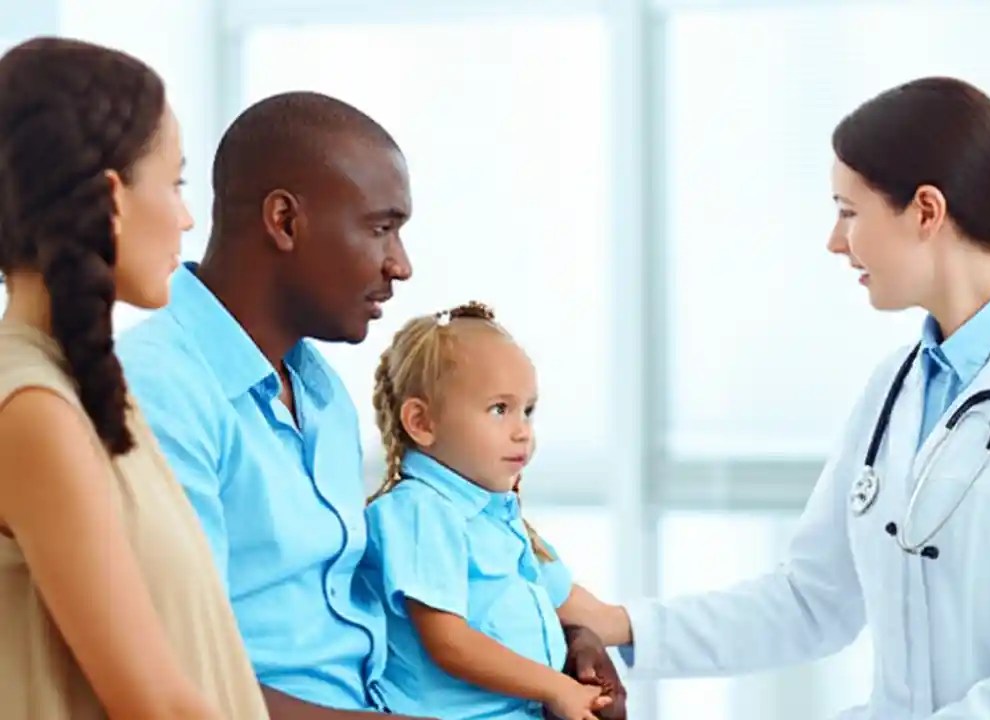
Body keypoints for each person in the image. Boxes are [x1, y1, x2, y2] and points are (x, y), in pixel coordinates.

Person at [585, 77, 990, 718]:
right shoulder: (896, 385)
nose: (836, 240)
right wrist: (619, 625)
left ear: (925, 211)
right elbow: (812, 600)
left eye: (849, 211)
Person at [117, 91, 626, 719]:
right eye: (381, 228)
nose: (401, 265)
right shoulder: (157, 389)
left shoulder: (324, 396)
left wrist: (563, 643)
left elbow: (383, 607)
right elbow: (175, 678)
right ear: (284, 221)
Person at [0, 37, 268, 719]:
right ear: (112, 198)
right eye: (175, 182)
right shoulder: (32, 407)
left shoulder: (84, 389)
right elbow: (157, 704)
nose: (185, 216)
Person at [358, 302, 621, 720]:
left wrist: (620, 640)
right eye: (500, 409)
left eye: (528, 411)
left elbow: (569, 600)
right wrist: (557, 687)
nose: (523, 431)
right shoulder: (420, 510)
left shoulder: (498, 518)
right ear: (422, 422)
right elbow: (449, 642)